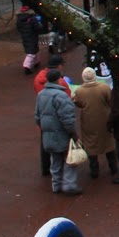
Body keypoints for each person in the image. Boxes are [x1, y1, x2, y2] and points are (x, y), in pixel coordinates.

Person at [35, 68, 82, 196]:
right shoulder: (61, 96)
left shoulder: (41, 95)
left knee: (55, 160)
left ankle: (56, 185)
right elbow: (67, 119)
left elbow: (37, 116)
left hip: (48, 135)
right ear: (58, 79)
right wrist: (73, 133)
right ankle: (69, 185)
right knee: (69, 159)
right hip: (61, 134)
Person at [72, 67, 118, 180]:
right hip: (104, 119)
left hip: (89, 121)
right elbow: (110, 101)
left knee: (90, 144)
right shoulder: (104, 88)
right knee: (108, 143)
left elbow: (78, 103)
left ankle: (94, 170)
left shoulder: (79, 91)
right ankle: (113, 167)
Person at [34, 56, 72, 176]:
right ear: (58, 66)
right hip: (58, 119)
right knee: (62, 147)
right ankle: (61, 172)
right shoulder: (60, 84)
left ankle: (46, 169)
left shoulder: (38, 80)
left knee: (45, 144)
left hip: (45, 119)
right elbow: (67, 96)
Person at [15, 5, 42, 73]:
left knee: (32, 49)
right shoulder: (32, 18)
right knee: (32, 52)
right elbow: (37, 28)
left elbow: (18, 28)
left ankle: (36, 62)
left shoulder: (19, 19)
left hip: (25, 36)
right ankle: (27, 66)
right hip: (32, 35)